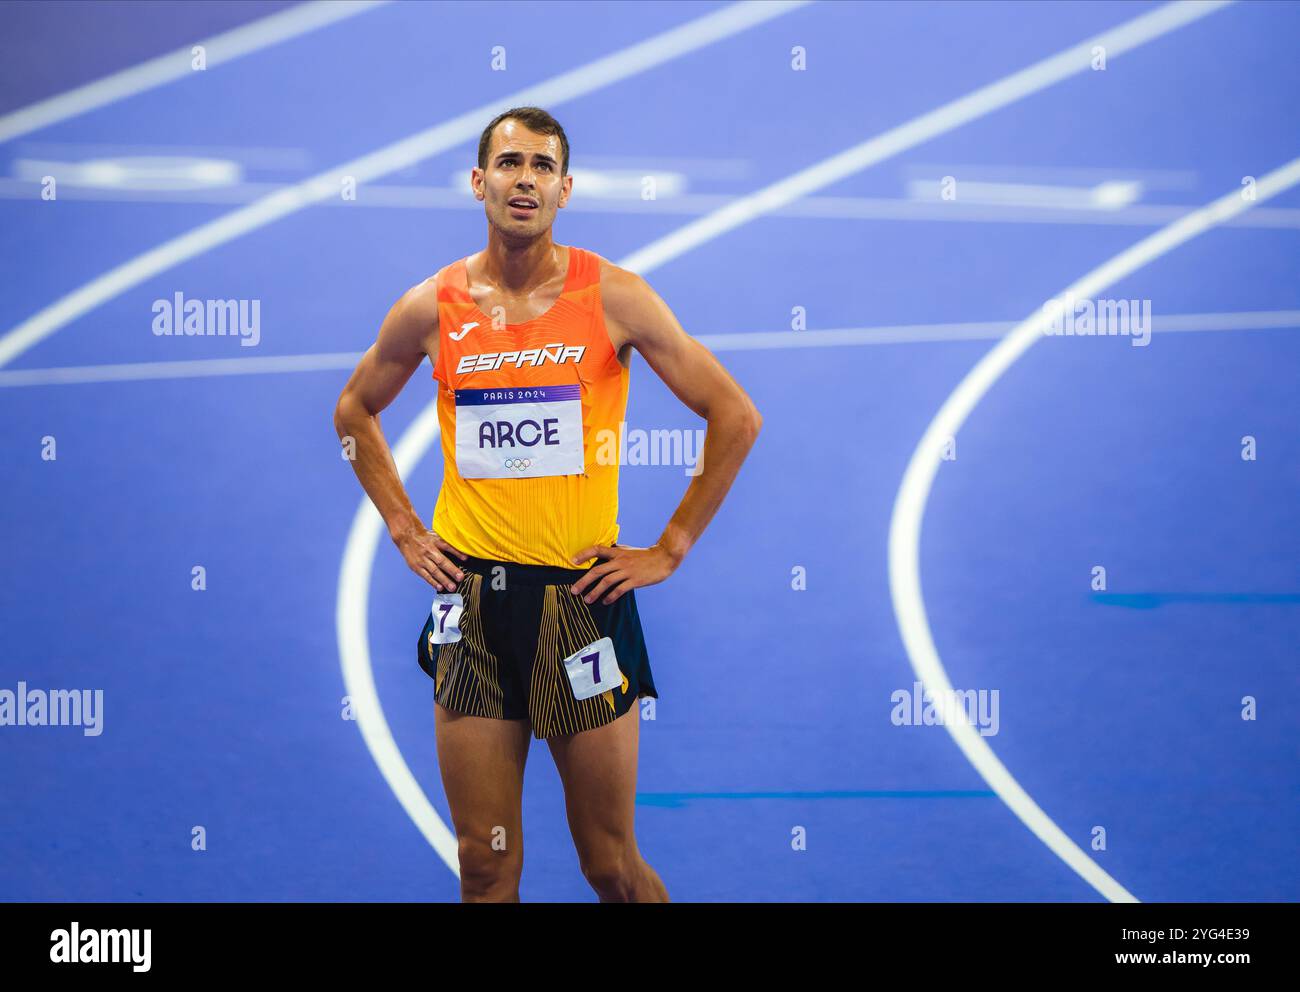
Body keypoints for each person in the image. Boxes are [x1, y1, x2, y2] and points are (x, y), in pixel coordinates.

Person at [334, 106, 761, 902]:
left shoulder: (616, 298)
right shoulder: (433, 306)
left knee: (609, 865)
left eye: (540, 166)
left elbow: (735, 416)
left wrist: (669, 547)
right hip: (472, 610)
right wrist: (401, 524)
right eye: (507, 164)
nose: (523, 179)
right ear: (477, 182)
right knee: (485, 865)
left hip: (578, 606)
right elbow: (353, 411)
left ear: (565, 189)